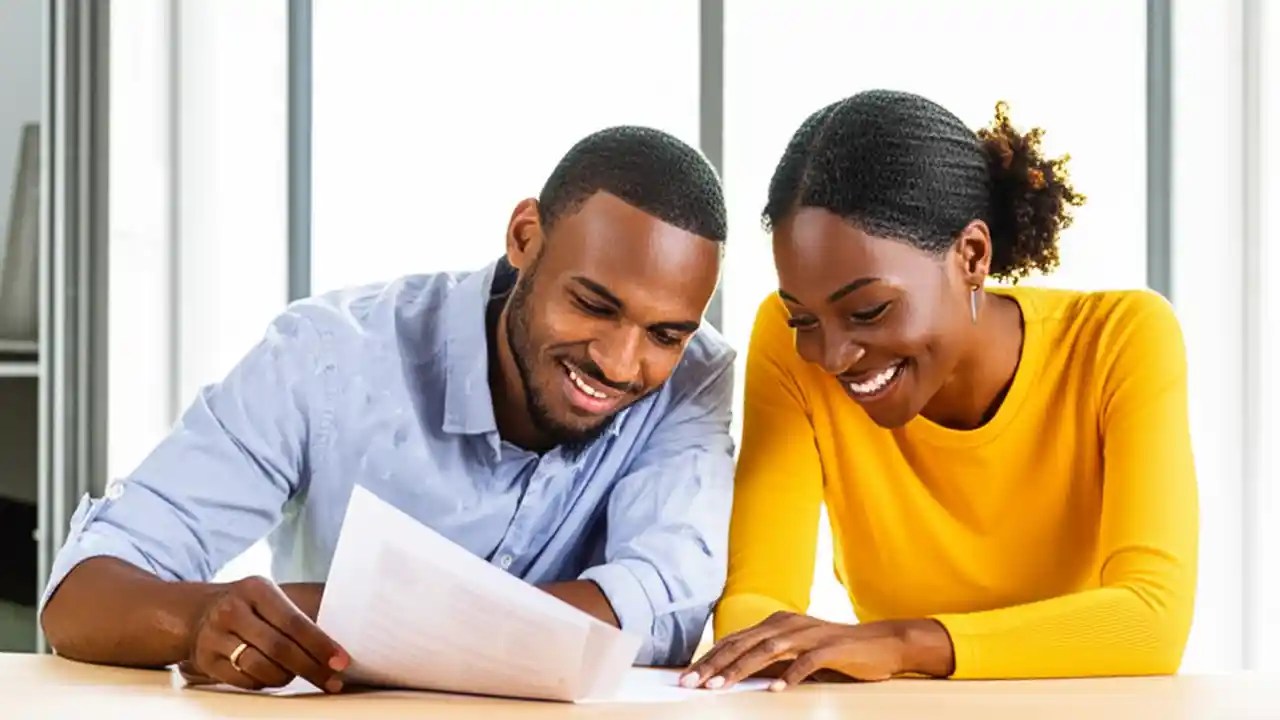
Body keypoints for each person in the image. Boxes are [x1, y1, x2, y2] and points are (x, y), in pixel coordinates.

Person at [40, 126, 738, 693]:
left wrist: (331, 615)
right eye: (592, 304)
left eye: (665, 334)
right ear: (525, 237)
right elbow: (80, 593)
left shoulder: (693, 378)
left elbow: (662, 606)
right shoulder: (326, 356)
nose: (619, 362)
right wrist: (197, 619)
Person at [682, 90, 1197, 690]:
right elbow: (755, 607)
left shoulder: (1120, 341)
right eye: (805, 321)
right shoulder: (791, 351)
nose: (835, 355)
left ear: (972, 256)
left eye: (870, 310)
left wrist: (904, 642)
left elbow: (1151, 621)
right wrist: (807, 650)